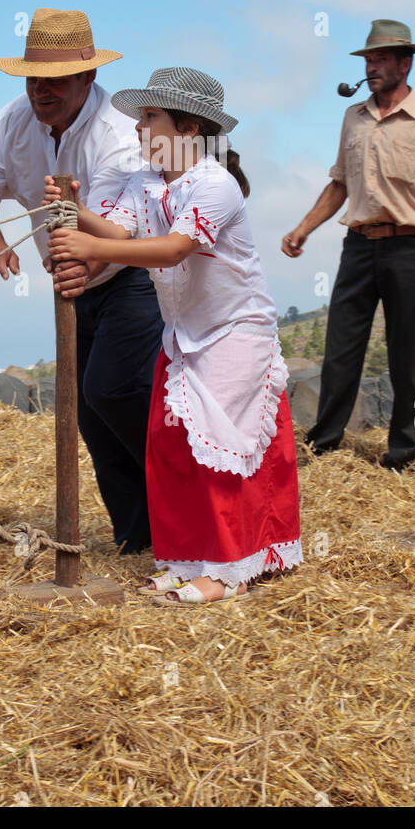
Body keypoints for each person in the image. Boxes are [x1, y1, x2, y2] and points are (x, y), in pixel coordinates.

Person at [46, 67, 302, 605]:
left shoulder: (216, 185)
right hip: (185, 333)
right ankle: (186, 559)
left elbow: (173, 249)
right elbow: (120, 231)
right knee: (172, 448)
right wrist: (77, 210)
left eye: (150, 117)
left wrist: (89, 250)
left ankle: (228, 567)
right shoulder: (145, 182)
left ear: (187, 128)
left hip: (235, 332)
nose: (138, 128)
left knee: (218, 449)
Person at [0, 8, 164, 553]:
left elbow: (110, 236)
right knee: (89, 416)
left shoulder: (119, 135)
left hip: (130, 277)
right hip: (71, 287)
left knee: (113, 391)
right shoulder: (11, 122)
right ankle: (138, 539)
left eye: (53, 79)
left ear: (87, 77)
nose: (39, 90)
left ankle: (179, 505)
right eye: (32, 77)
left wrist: (86, 266)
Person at [281, 19, 415, 471]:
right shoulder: (353, 117)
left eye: (381, 59)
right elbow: (340, 184)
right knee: (340, 351)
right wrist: (303, 227)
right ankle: (323, 444)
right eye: (368, 60)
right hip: (357, 246)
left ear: (405, 64)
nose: (371, 67)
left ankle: (402, 453)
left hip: (413, 249)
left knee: (407, 358)